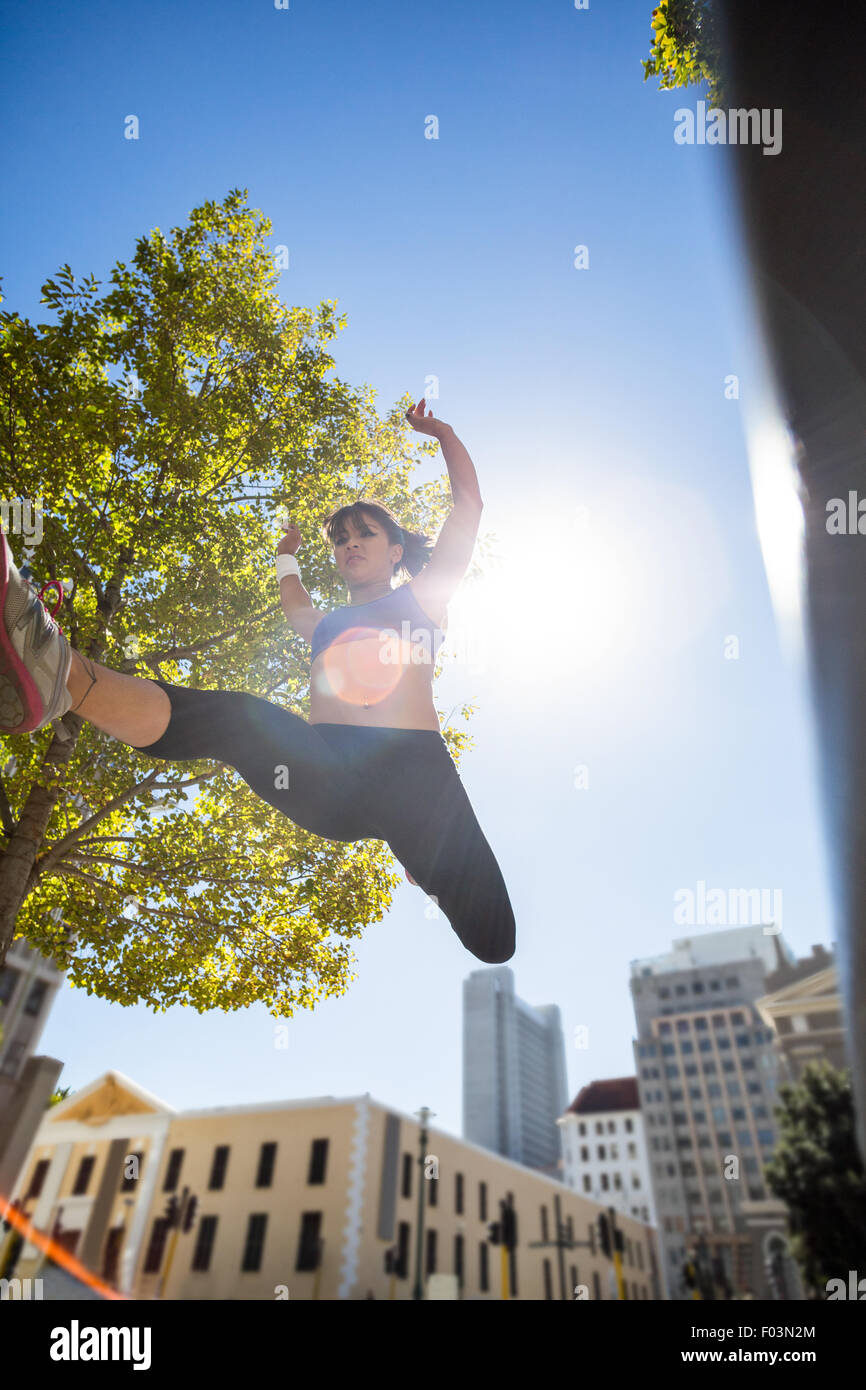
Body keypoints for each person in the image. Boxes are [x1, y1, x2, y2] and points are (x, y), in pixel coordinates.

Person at [0, 399, 515, 963]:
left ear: (395, 551)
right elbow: (294, 603)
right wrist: (285, 555)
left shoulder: (424, 597)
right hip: (328, 772)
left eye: (364, 534)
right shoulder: (323, 626)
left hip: (418, 777)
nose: (350, 544)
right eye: (341, 539)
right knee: (236, 719)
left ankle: (425, 856)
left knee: (494, 941)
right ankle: (65, 677)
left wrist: (440, 432)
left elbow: (469, 505)